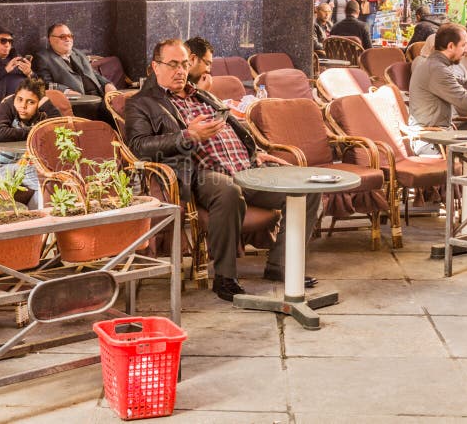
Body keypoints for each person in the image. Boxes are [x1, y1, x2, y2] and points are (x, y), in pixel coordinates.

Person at [124, 39, 320, 302]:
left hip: (246, 168)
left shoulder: (202, 94)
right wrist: (188, 135)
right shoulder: (142, 102)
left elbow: (233, 128)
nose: (180, 71)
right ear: (155, 67)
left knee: (309, 190)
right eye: (172, 65)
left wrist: (256, 153)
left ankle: (281, 265)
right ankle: (225, 276)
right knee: (228, 191)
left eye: (184, 64)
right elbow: (138, 146)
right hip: (202, 173)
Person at [0, 78, 60, 209]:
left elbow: (58, 126)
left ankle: (33, 218)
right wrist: (35, 130)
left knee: (43, 177)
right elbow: (0, 134)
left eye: (31, 102)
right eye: (19, 99)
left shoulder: (38, 115)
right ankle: (34, 218)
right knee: (38, 176)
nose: (23, 106)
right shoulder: (5, 108)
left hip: (5, 167)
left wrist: (46, 103)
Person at [408, 23, 467, 155]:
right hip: (430, 142)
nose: (466, 50)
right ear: (451, 46)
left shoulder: (437, 65)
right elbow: (466, 102)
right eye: (464, 45)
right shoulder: (437, 69)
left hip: (441, 136)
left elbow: (465, 84)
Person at [32, 23, 116, 122]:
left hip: (100, 97)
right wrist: (66, 91)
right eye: (63, 36)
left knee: (125, 106)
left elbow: (93, 74)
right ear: (50, 39)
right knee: (115, 113)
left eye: (70, 36)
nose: (68, 39)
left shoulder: (78, 53)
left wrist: (107, 84)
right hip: (79, 103)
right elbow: (45, 84)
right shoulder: (43, 58)